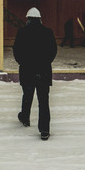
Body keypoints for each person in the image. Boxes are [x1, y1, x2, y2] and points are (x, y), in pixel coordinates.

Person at [13, 7, 58, 140]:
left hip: (27, 71)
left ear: (28, 19)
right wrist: (44, 63)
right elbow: (53, 51)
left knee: (27, 95)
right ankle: (44, 129)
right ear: (40, 19)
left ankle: (25, 117)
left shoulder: (22, 32)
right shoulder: (48, 32)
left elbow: (17, 51)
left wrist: (23, 63)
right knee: (43, 101)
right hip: (43, 72)